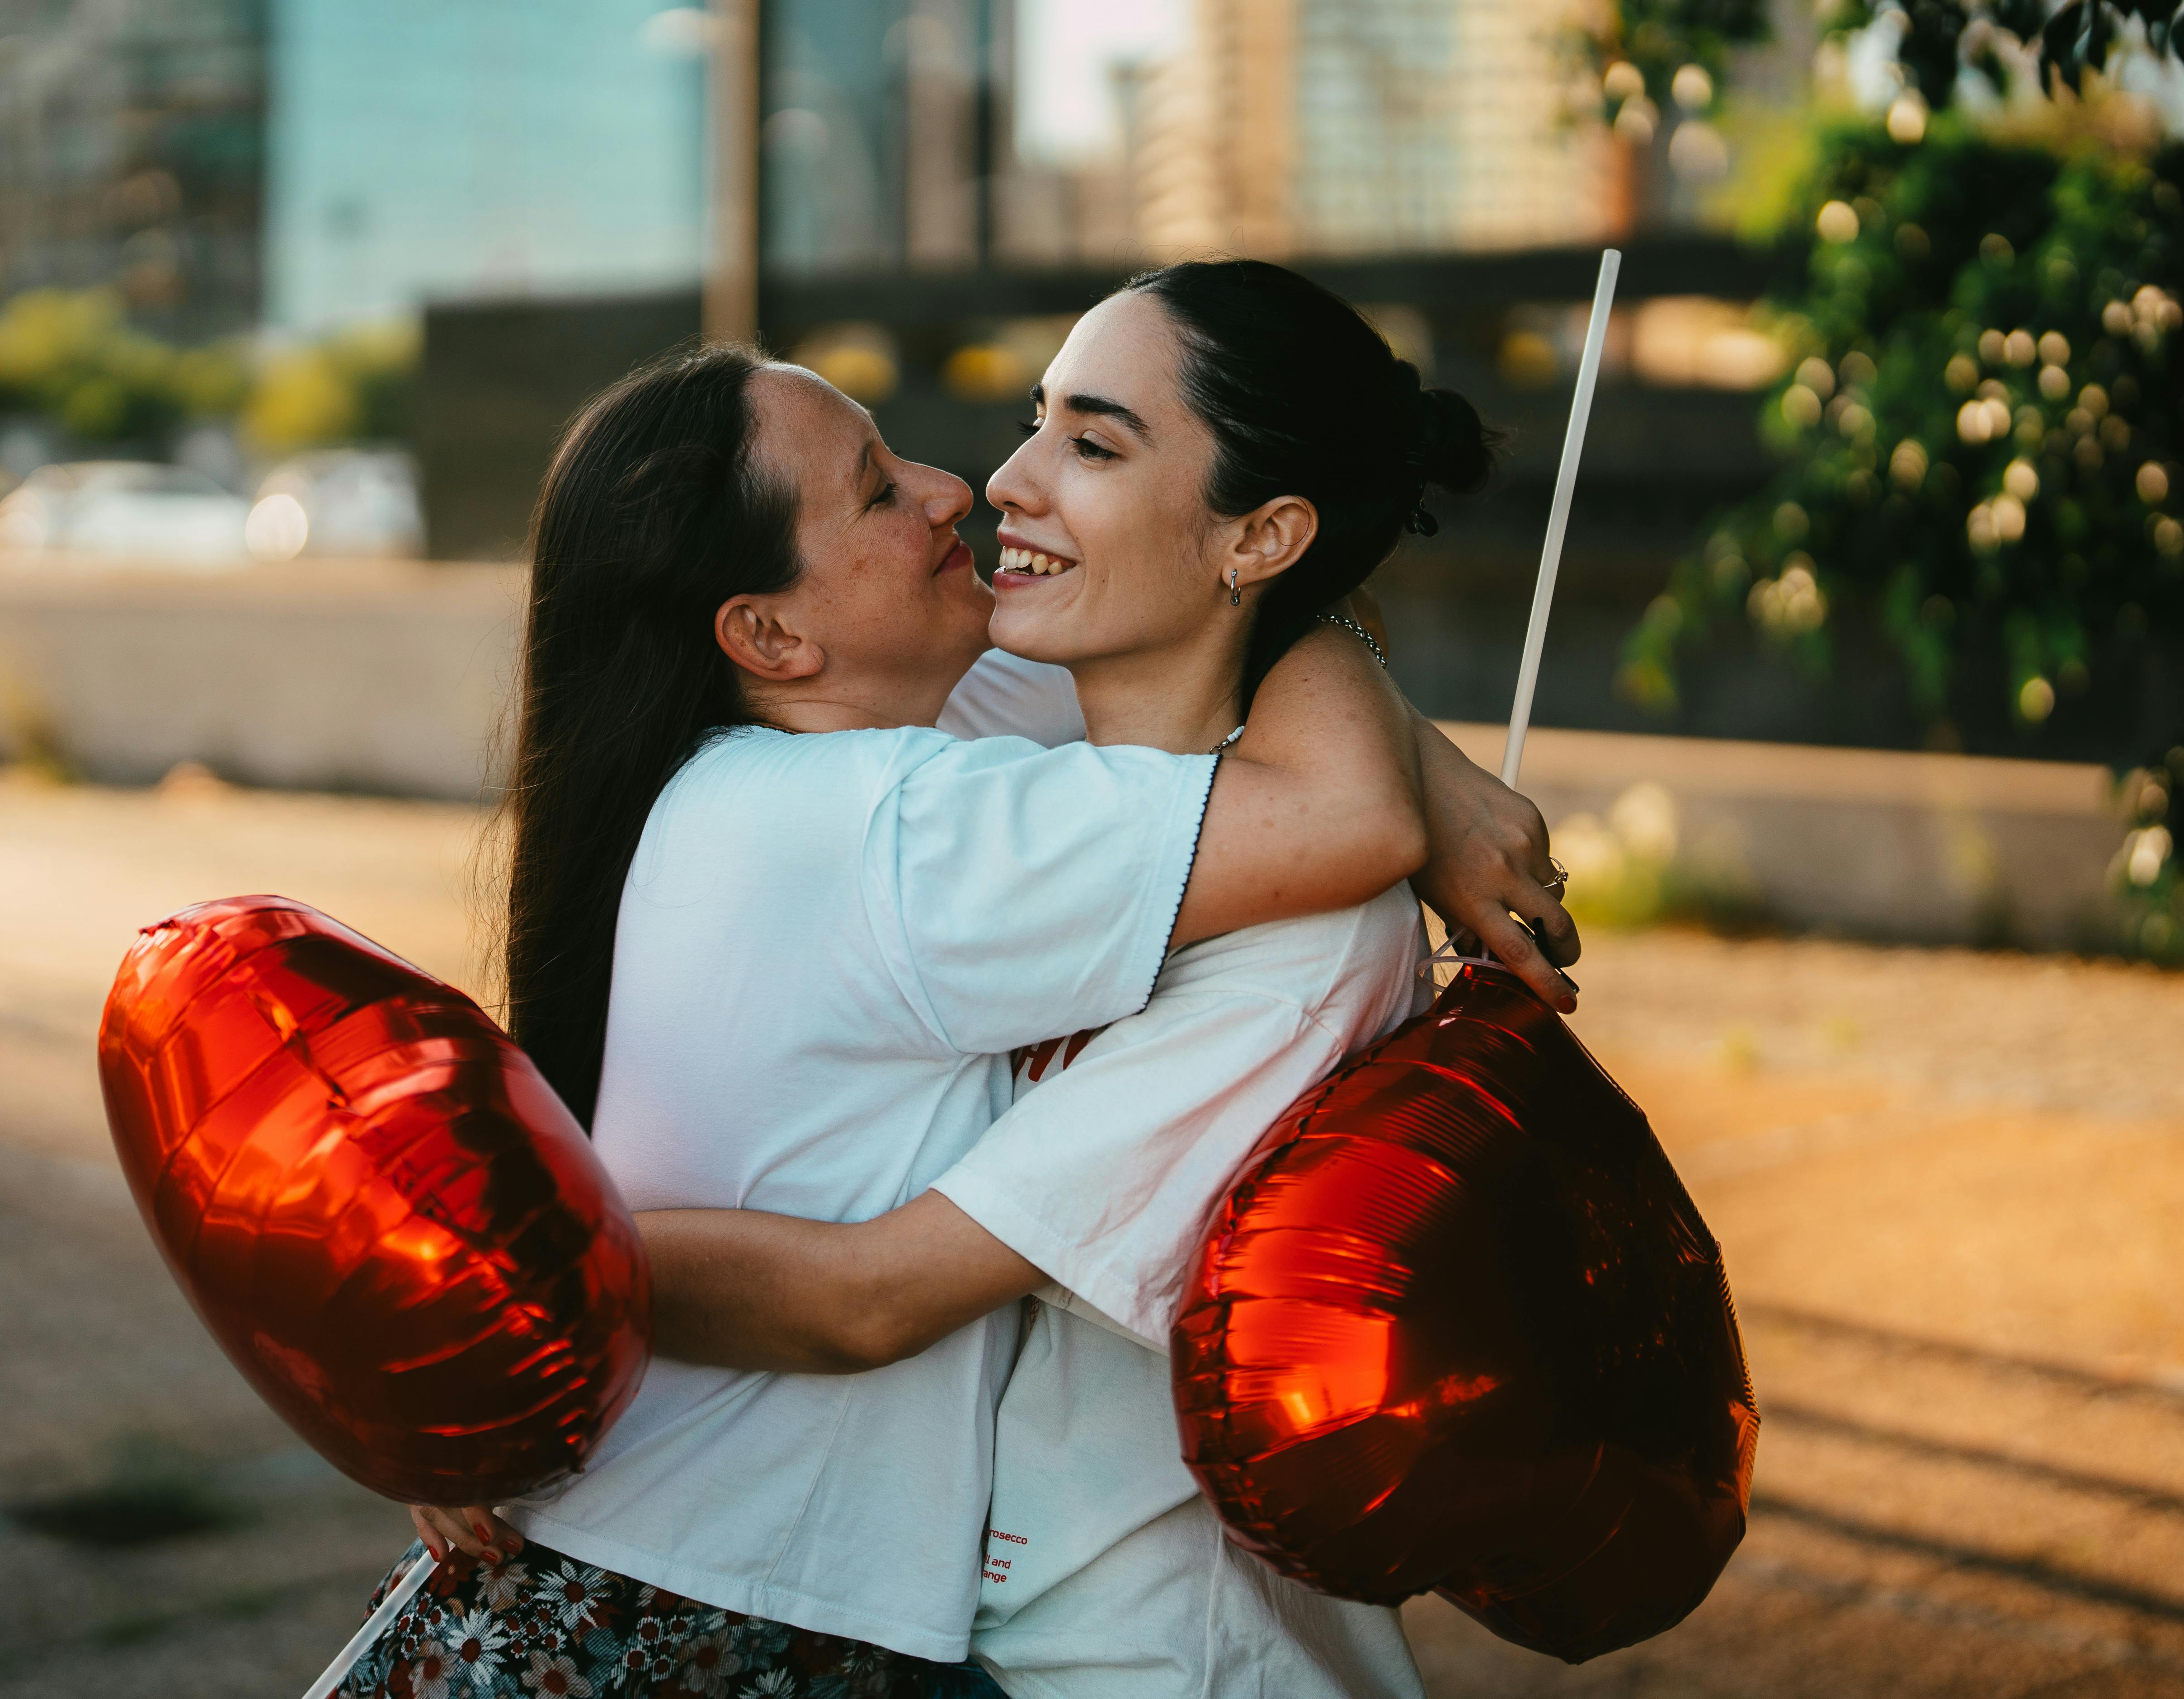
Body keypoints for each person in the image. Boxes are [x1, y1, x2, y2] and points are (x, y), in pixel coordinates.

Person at [339, 310, 1570, 1696]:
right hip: (693, 1590)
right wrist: (493, 1316)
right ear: (768, 633)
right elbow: (1336, 807)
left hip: (729, 1568)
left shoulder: (851, 743)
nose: (962, 487)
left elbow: (1193, 691)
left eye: (1087, 440)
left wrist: (1357, 668)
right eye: (876, 488)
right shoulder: (886, 813)